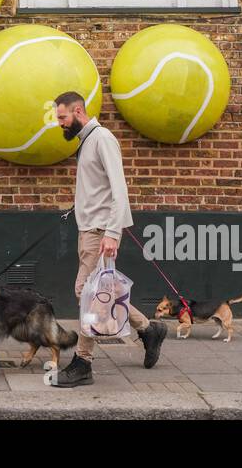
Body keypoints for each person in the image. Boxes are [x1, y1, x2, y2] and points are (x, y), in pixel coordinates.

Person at [51, 91, 167, 388]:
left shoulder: (102, 138)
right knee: (104, 293)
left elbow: (120, 189)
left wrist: (113, 233)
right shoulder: (87, 141)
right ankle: (148, 329)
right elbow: (99, 188)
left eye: (62, 117)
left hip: (101, 232)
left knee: (87, 293)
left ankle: (83, 362)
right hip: (89, 229)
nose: (60, 123)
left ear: (78, 111)